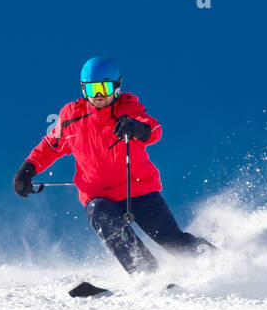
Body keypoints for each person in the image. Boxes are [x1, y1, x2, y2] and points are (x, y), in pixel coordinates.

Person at [13, 55, 214, 274]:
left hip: (138, 189)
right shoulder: (71, 117)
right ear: (83, 90)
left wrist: (137, 128)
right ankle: (145, 271)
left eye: (104, 87)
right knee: (100, 213)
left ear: (116, 87)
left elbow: (153, 129)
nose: (98, 95)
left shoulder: (128, 110)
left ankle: (218, 261)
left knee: (171, 240)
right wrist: (27, 170)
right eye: (91, 90)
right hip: (98, 196)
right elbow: (50, 146)